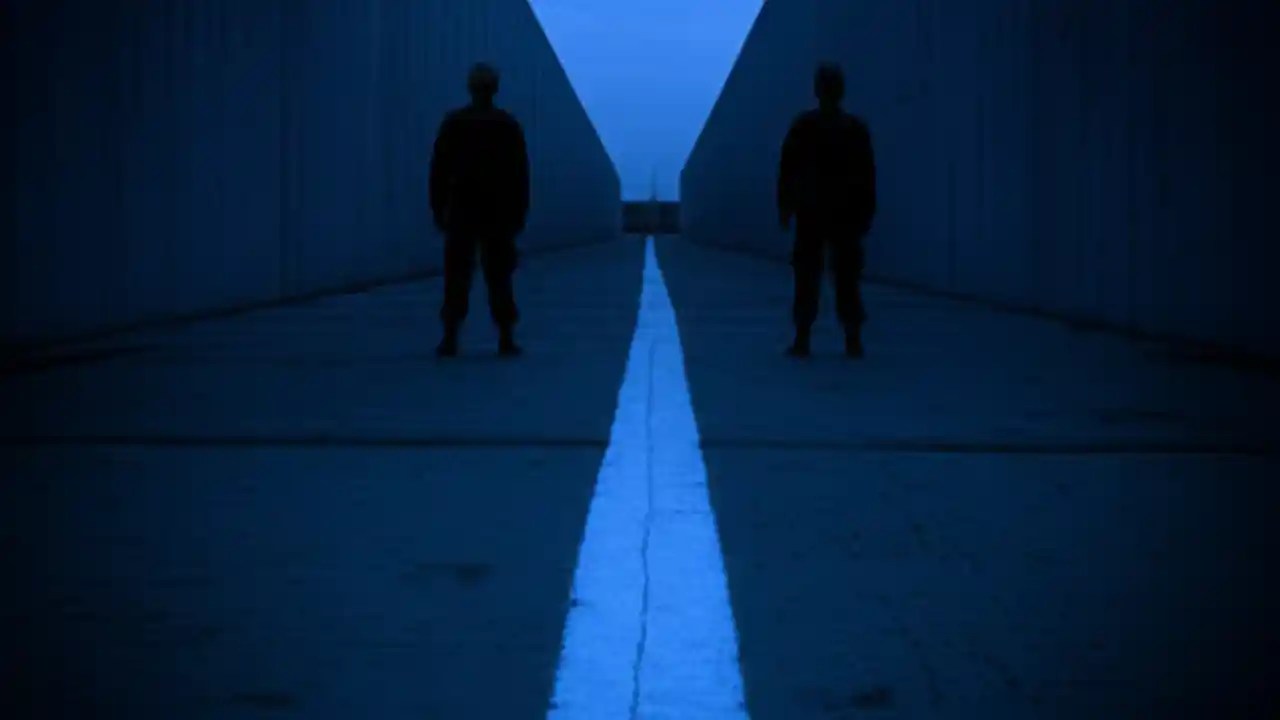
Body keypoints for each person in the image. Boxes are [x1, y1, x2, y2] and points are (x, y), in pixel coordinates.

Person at [429, 62, 530, 357]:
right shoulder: (507, 125)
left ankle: (450, 336)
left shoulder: (455, 123)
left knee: (457, 275)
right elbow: (520, 175)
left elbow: (439, 171)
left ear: (470, 88)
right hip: (497, 212)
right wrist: (518, 214)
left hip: (463, 209)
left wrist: (438, 208)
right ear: (495, 88)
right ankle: (505, 336)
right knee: (499, 276)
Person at [777, 62, 877, 358]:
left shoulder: (805, 125)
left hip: (815, 212)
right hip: (843, 213)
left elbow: (788, 171)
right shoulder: (853, 129)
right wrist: (866, 211)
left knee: (810, 276)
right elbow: (867, 175)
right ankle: (850, 338)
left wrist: (786, 206)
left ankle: (805, 338)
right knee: (845, 277)